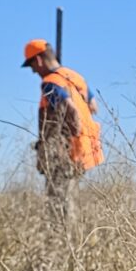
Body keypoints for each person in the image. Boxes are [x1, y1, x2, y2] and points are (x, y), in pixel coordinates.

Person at [23, 39, 103, 224]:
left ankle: (64, 246)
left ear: (39, 60)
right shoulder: (75, 77)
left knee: (58, 206)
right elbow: (93, 106)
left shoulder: (50, 82)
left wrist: (68, 138)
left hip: (63, 153)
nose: (34, 71)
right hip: (82, 151)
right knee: (70, 201)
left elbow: (71, 110)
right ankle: (73, 242)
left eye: (32, 65)